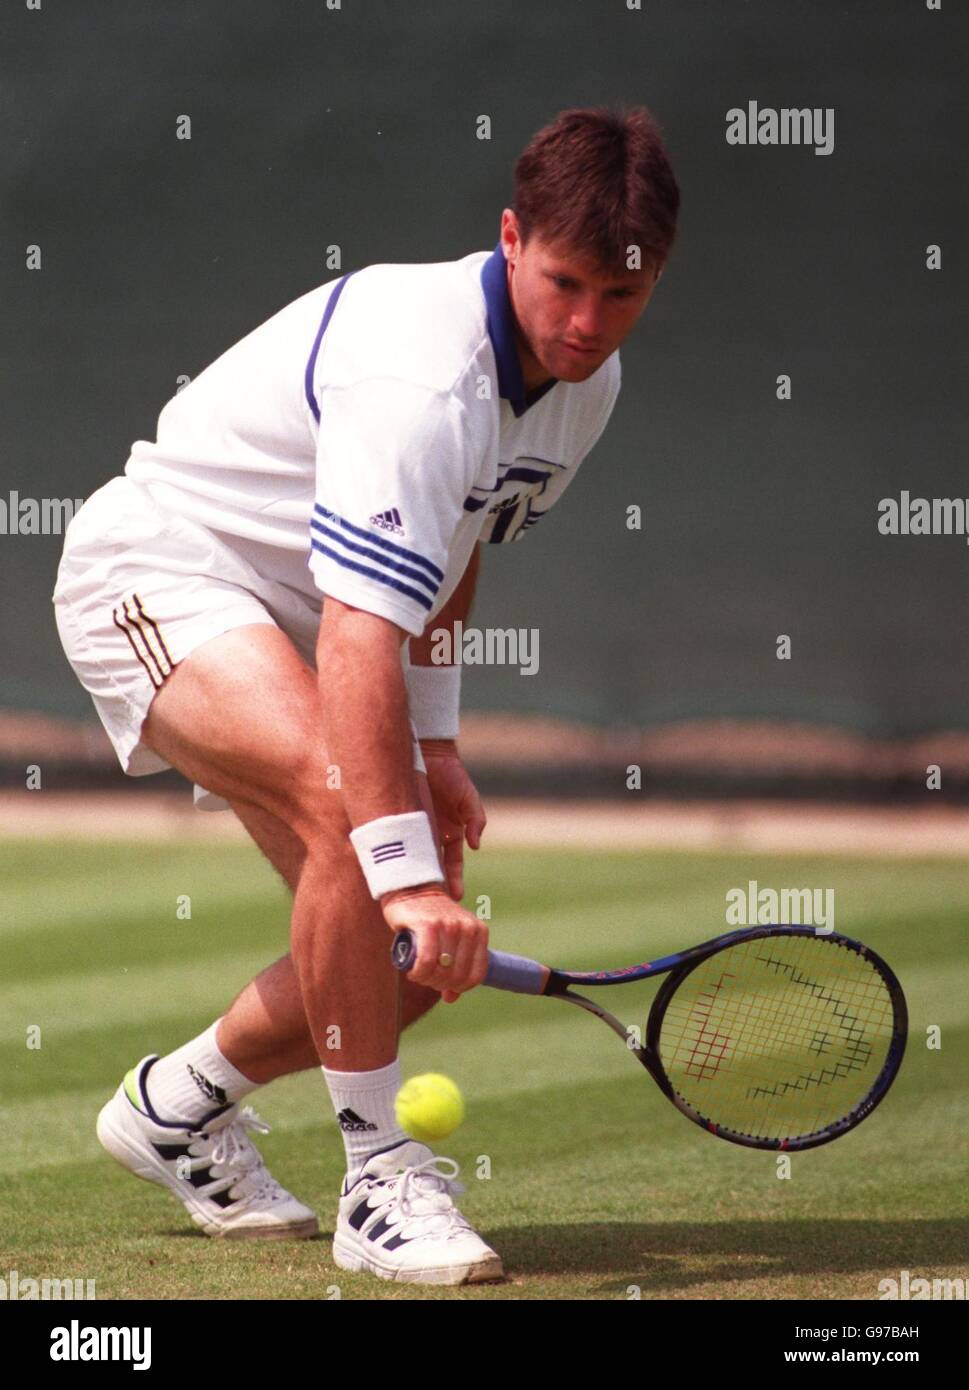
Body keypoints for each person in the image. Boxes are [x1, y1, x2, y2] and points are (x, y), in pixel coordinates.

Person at [51, 104, 679, 1286]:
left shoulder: (586, 387)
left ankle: (175, 1107)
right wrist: (400, 859)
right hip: (162, 570)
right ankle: (380, 1180)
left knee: (408, 965)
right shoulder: (424, 371)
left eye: (623, 296)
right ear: (509, 237)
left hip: (305, 616)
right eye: (565, 283)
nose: (588, 323)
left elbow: (451, 548)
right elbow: (357, 634)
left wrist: (435, 752)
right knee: (373, 846)